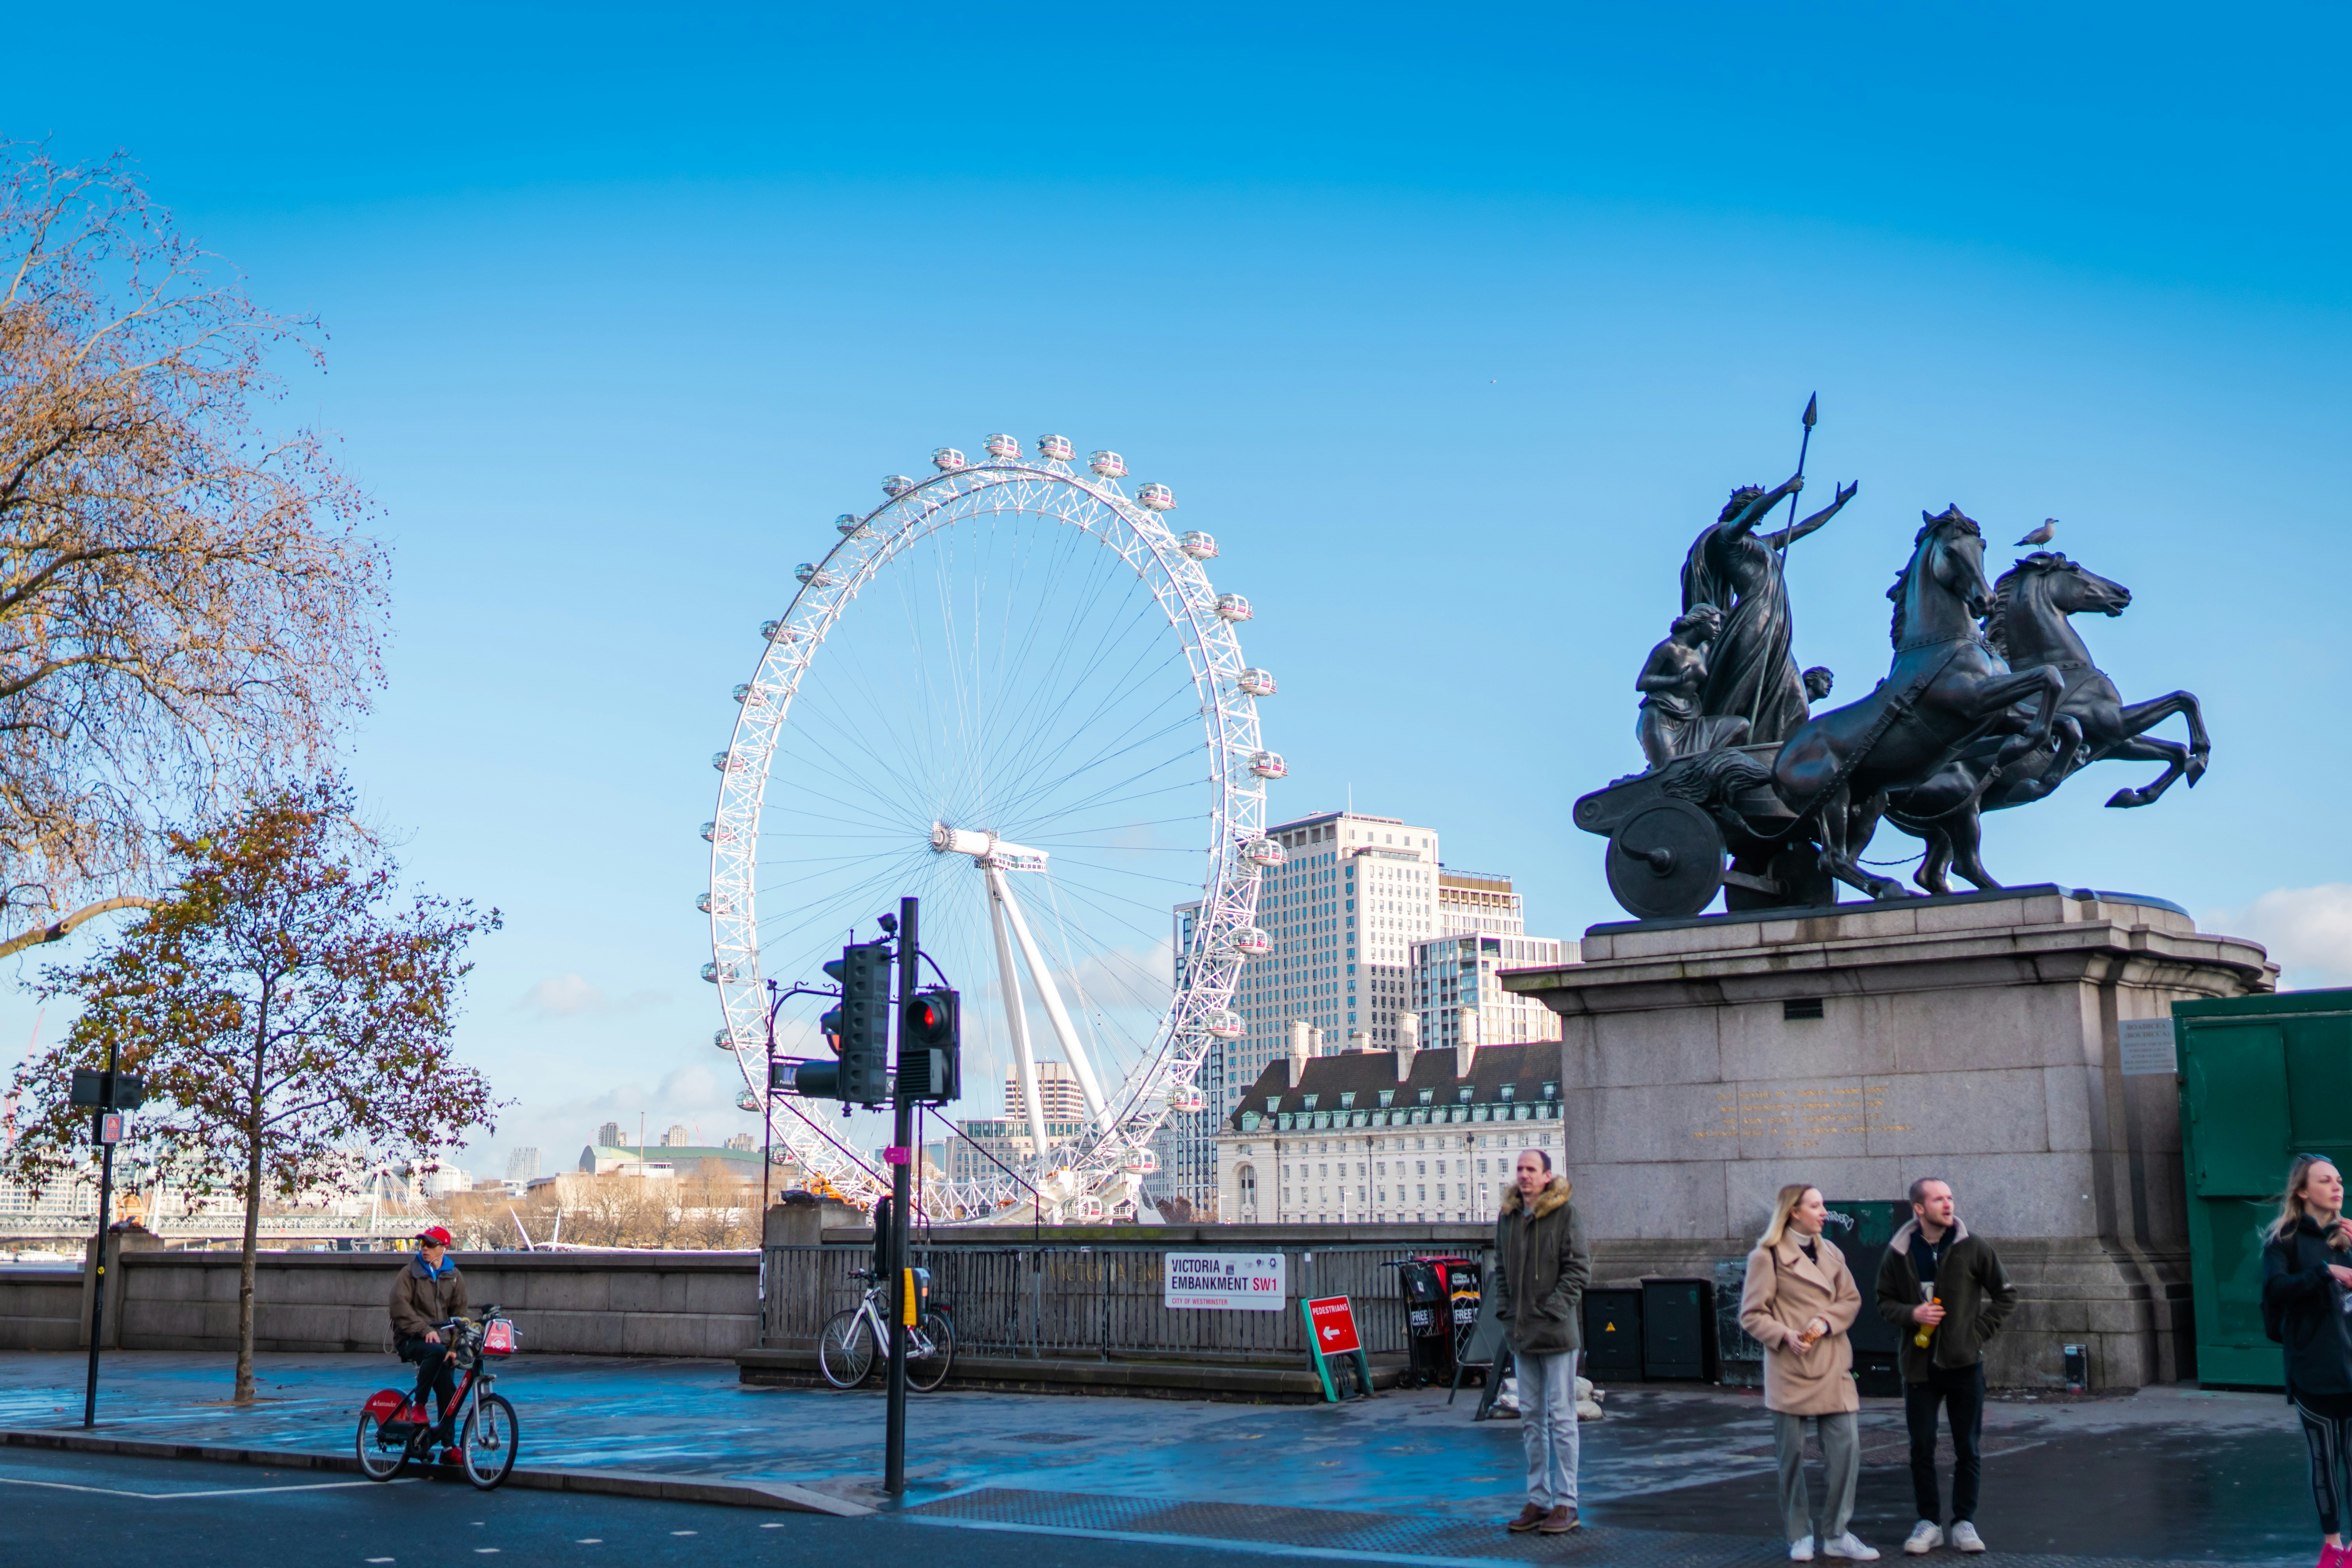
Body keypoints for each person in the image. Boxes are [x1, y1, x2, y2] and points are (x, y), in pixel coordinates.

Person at [1875, 1178, 2017, 1557]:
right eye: (1939, 1199)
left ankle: (1964, 1522)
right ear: (1919, 1208)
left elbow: (2005, 1296)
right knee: (1921, 1448)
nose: (1948, 1204)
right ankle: (1929, 1523)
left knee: (1967, 1447)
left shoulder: (1973, 1247)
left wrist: (1976, 1334)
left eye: (1951, 1197)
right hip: (1919, 1367)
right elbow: (1884, 1302)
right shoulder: (1899, 1252)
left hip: (1965, 1365)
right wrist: (1913, 1313)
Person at [1741, 1184, 1877, 1562]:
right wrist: (1785, 1335)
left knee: (1846, 1450)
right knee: (1793, 1457)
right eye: (1815, 1206)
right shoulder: (1766, 1257)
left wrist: (1826, 1322)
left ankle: (1837, 1533)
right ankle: (1800, 1534)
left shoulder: (1831, 1251)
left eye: (1823, 1205)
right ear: (1794, 1212)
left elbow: (1851, 1300)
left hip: (1834, 1363)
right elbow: (1751, 1314)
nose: (1824, 1212)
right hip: (1791, 1367)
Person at [1680, 474, 1858, 746]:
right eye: (1758, 504)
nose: (1762, 514)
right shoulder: (1728, 537)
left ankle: (1776, 749)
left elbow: (1802, 528)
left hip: (1778, 621)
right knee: (1741, 684)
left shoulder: (1763, 542)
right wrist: (1784, 491)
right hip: (1753, 617)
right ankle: (1716, 746)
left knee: (1796, 694)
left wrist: (1836, 507)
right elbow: (1749, 517)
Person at [2260, 1154, 2352, 1567]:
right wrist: (2325, 1272)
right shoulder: (2285, 1239)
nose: (2337, 1187)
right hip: (2314, 1368)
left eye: (2340, 1180)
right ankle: (2333, 1546)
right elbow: (2276, 1290)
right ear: (2302, 1190)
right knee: (2324, 1459)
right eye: (2325, 1180)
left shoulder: (2348, 1235)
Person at [1494, 1149, 1590, 1536]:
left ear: (1547, 1176)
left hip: (1555, 1331)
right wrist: (1505, 1311)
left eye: (1531, 1170)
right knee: (1531, 1418)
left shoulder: (1566, 1214)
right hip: (1521, 1333)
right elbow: (1500, 1268)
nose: (1524, 1176)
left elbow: (1579, 1267)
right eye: (1520, 1169)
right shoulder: (1509, 1218)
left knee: (1562, 1417)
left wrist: (1554, 1309)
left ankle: (1567, 1502)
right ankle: (1539, 1498)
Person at [1635, 603, 1752, 769]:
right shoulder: (1669, 648)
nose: (1718, 629)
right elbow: (1642, 683)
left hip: (1691, 720)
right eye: (1714, 624)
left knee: (1741, 726)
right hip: (1661, 718)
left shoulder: (1705, 649)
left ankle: (1707, 773)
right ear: (1698, 623)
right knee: (1670, 772)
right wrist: (1675, 680)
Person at [389, 1225, 469, 1458]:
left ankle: (447, 1447)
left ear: (444, 1248)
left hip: (442, 1343)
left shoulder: (454, 1276)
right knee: (434, 1352)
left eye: (431, 1245)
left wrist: (454, 1347)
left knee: (449, 1392)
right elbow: (399, 1306)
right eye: (423, 1244)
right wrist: (424, 1330)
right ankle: (419, 1406)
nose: (424, 1249)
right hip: (410, 1339)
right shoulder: (410, 1273)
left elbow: (460, 1316)